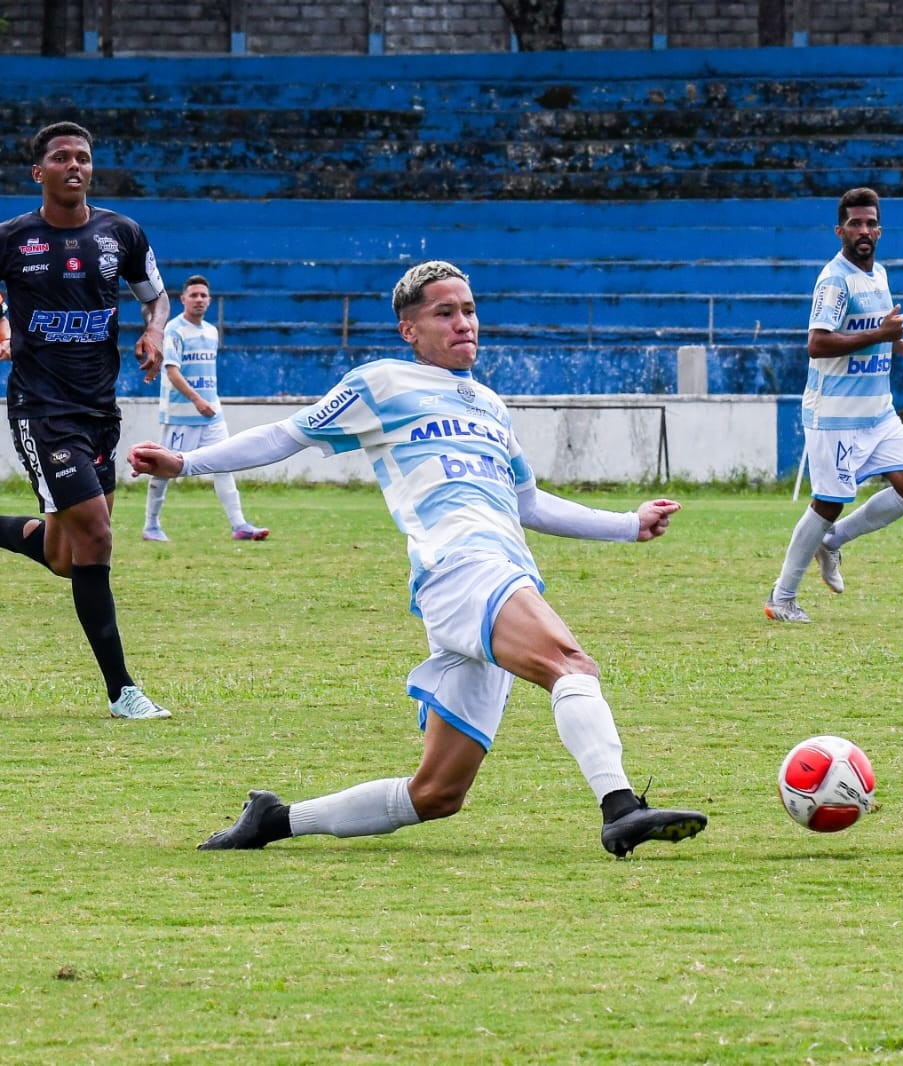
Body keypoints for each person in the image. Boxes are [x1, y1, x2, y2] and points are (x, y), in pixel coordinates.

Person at [130, 260, 708, 858]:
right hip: (462, 567)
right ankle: (620, 809)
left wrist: (626, 524)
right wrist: (188, 463)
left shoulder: (488, 404)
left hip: (488, 573)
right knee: (570, 664)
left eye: (470, 310)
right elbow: (287, 433)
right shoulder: (380, 383)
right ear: (409, 330)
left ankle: (274, 819)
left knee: (436, 794)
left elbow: (527, 503)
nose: (465, 324)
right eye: (445, 313)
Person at [0, 120, 173, 721]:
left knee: (64, 557)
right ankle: (122, 691)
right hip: (41, 412)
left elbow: (155, 294)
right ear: (38, 172)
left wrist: (154, 329)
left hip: (100, 410)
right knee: (97, 537)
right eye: (62, 157)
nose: (76, 165)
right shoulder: (12, 238)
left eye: (84, 157)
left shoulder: (120, 233)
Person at [763, 187, 903, 623]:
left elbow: (877, 330)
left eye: (871, 223)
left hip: (877, 410)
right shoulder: (834, 280)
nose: (864, 231)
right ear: (840, 230)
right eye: (855, 224)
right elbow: (818, 343)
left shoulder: (877, 274)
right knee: (828, 502)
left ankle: (833, 541)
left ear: (880, 229)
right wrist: (880, 336)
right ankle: (781, 598)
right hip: (836, 415)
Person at [141, 274, 269, 542]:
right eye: (194, 295)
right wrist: (197, 400)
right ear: (183, 299)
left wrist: (208, 403)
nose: (199, 300)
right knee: (164, 468)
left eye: (203, 296)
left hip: (212, 415)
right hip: (181, 415)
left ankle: (239, 525)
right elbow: (172, 372)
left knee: (224, 465)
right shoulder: (174, 330)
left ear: (210, 301)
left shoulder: (211, 331)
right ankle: (151, 525)